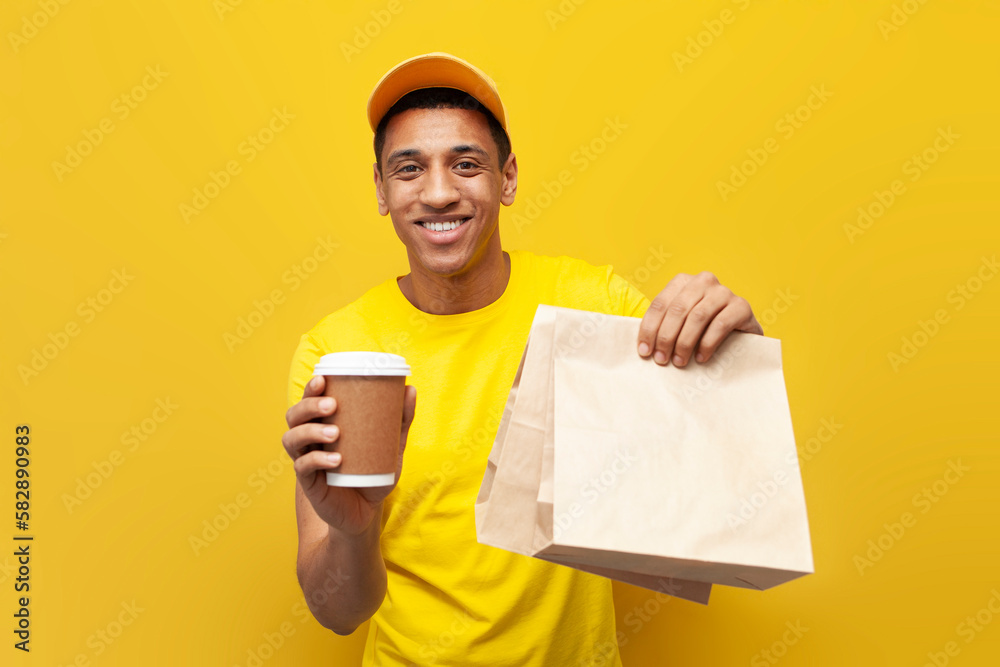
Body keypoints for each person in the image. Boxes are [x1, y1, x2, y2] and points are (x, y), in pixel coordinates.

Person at [282, 52, 763, 666]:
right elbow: (338, 613)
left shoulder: (593, 306)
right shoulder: (337, 351)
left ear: (507, 178)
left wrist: (737, 344)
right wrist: (353, 528)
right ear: (381, 189)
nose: (438, 192)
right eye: (409, 169)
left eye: (466, 164)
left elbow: (721, 458)